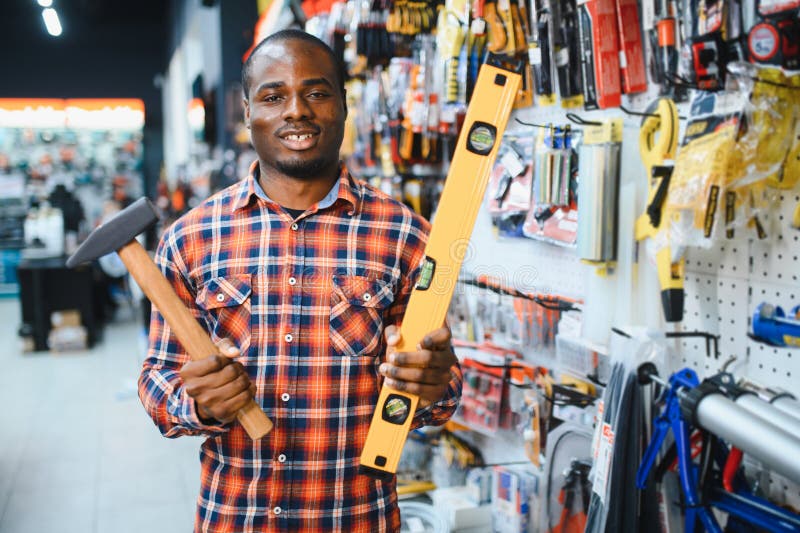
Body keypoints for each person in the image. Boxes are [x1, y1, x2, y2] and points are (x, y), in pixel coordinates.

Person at [139, 29, 462, 532]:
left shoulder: (407, 238)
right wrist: (197, 403)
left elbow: (439, 394)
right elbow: (157, 378)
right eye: (273, 96)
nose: (296, 111)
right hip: (236, 518)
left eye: (316, 92)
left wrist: (432, 384)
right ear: (247, 111)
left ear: (343, 104)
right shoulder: (190, 239)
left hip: (356, 519)